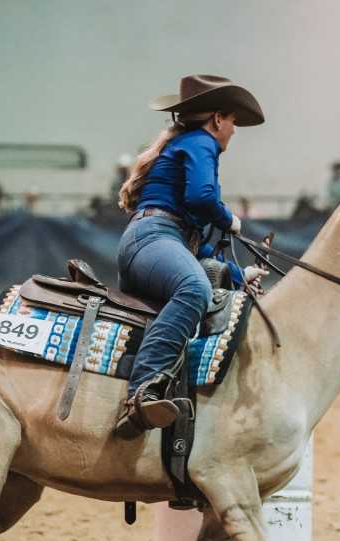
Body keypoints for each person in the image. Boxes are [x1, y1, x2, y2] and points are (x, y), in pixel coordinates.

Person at [113, 74, 267, 438]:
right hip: (154, 240)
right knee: (194, 291)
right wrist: (228, 217)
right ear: (217, 119)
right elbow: (201, 197)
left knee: (202, 285)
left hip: (156, 242)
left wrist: (236, 274)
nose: (233, 131)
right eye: (232, 122)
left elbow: (195, 244)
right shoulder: (202, 142)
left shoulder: (187, 142)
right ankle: (142, 392)